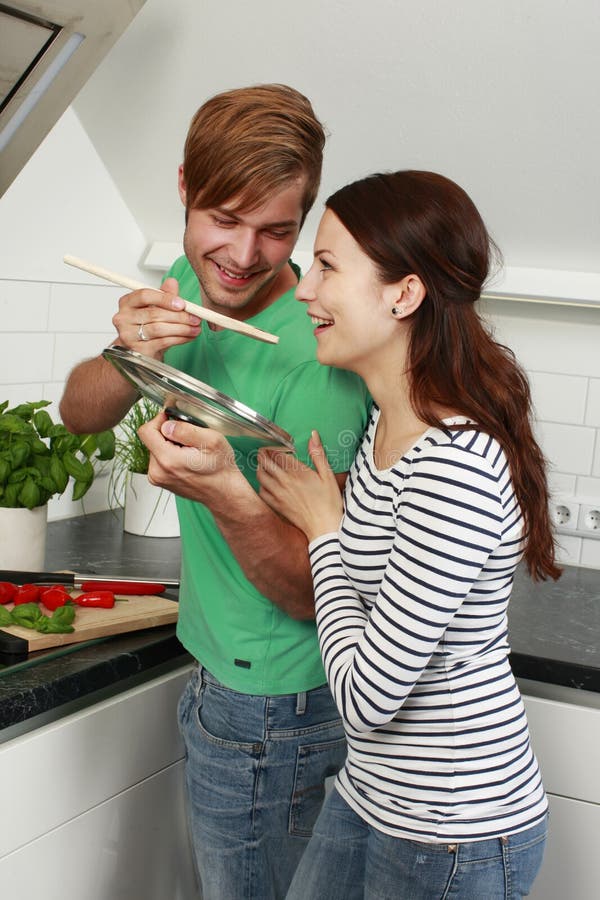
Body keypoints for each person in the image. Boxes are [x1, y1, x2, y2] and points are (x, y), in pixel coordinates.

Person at [59, 84, 370, 900]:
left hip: (278, 702)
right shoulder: (184, 280)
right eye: (224, 219)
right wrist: (124, 349)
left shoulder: (320, 361)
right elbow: (80, 413)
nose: (242, 254)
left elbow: (318, 591)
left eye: (277, 231)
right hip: (219, 674)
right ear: (185, 191)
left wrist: (222, 492)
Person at [256, 169, 561, 900]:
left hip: (454, 831)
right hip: (373, 795)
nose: (305, 288)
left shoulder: (453, 463)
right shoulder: (390, 423)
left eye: (328, 266)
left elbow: (366, 699)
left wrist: (324, 531)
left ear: (404, 294)